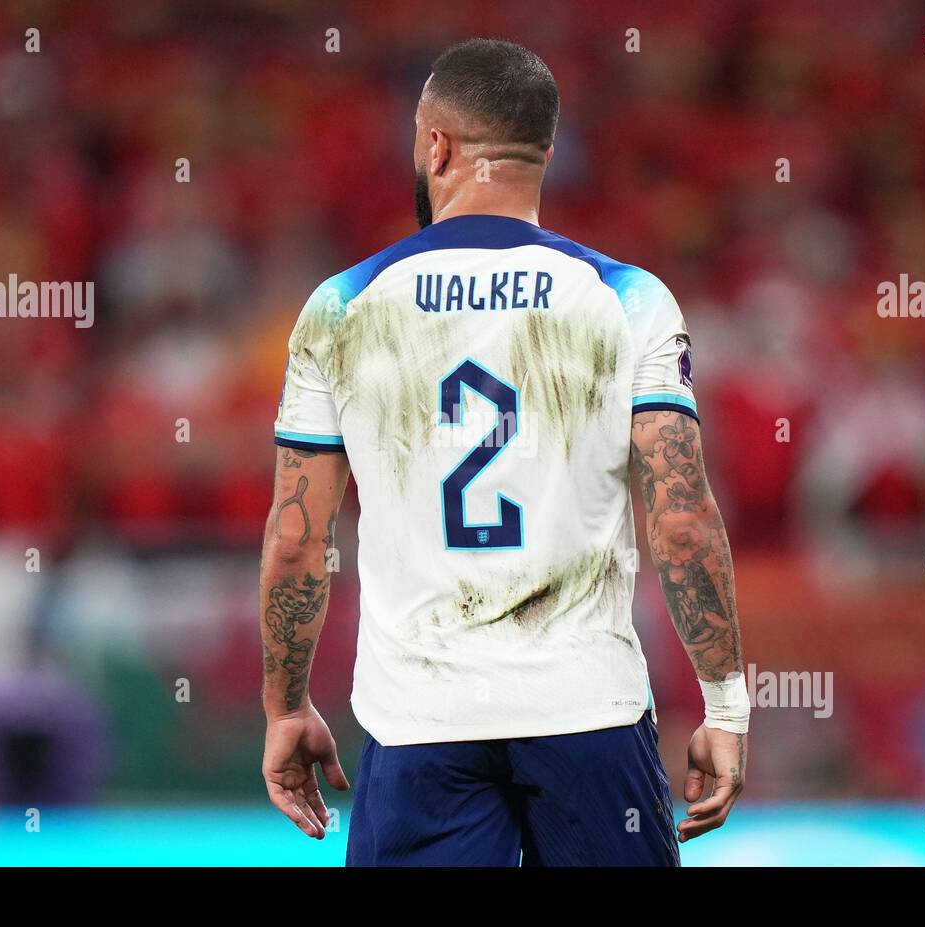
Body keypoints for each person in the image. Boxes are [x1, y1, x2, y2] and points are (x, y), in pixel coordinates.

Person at [259, 38, 747, 866]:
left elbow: (300, 537)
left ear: (436, 145)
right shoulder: (627, 298)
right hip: (586, 714)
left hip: (420, 724)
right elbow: (683, 515)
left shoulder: (341, 307)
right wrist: (725, 705)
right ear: (546, 152)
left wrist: (286, 708)